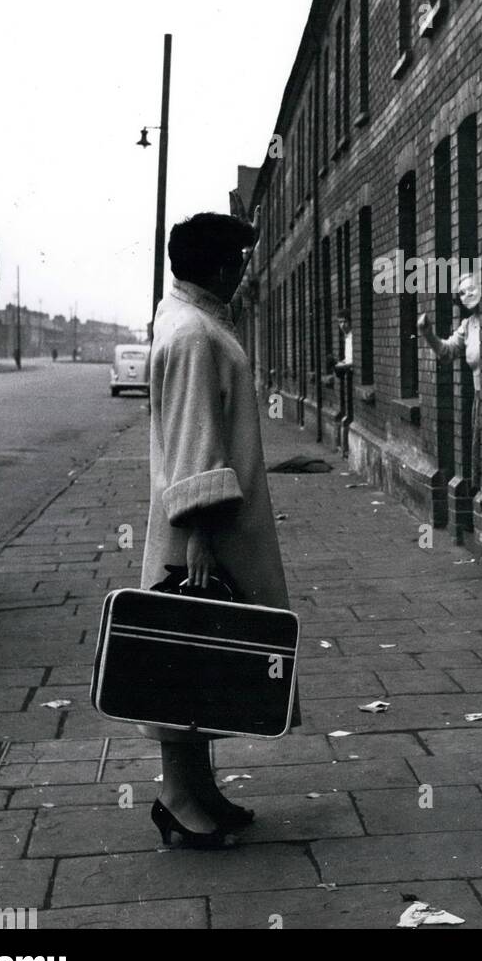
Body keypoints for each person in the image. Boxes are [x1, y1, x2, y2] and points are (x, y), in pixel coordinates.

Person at [141, 212, 300, 850]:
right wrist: (199, 534)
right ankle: (178, 799)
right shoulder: (193, 336)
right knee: (187, 661)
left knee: (204, 662)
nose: (244, 272)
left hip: (214, 527)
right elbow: (194, 438)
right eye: (238, 261)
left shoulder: (190, 319)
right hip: (205, 535)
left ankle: (200, 792)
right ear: (217, 268)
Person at [417, 272, 482, 492]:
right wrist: (428, 334)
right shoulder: (468, 324)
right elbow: (447, 352)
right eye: (461, 293)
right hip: (480, 398)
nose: (467, 295)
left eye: (471, 288)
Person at [334, 310, 354, 429]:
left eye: (344, 322)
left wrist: (342, 366)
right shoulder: (346, 337)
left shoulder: (353, 337)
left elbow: (355, 360)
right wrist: (340, 363)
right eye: (340, 322)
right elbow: (349, 359)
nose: (342, 325)